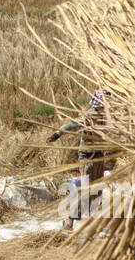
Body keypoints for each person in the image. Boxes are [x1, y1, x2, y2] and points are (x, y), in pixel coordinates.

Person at [47, 90, 110, 229]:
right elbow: (71, 125)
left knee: (97, 190)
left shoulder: (106, 116)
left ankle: (87, 220)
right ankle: (70, 219)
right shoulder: (89, 116)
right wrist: (57, 134)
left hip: (99, 155)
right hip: (88, 157)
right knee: (88, 190)